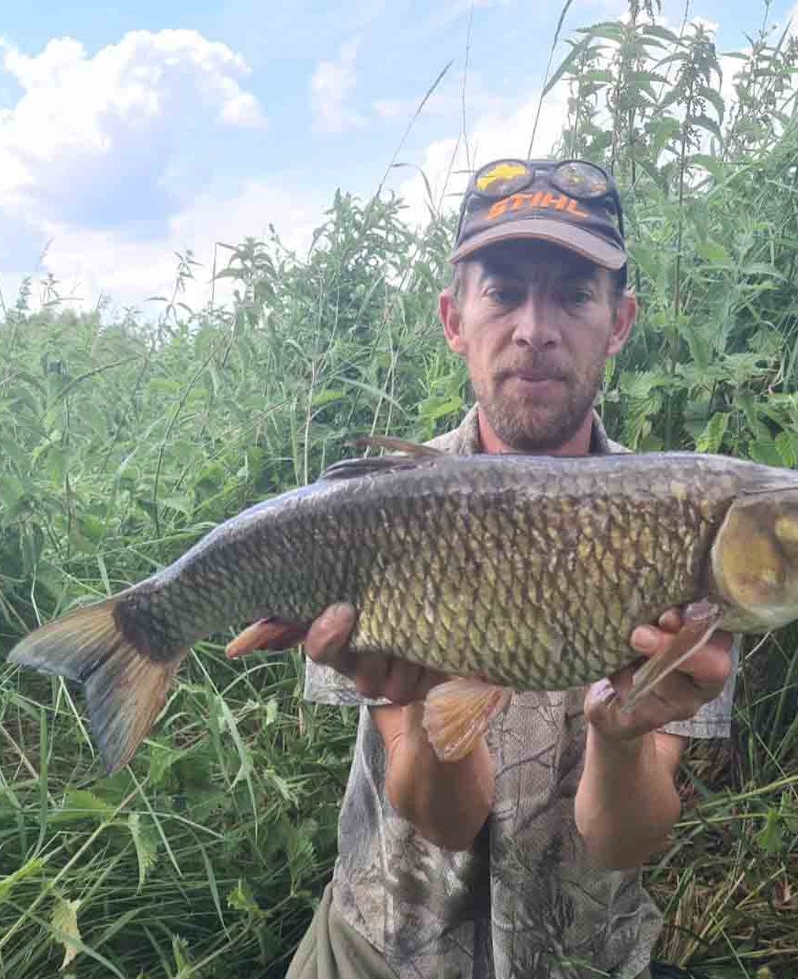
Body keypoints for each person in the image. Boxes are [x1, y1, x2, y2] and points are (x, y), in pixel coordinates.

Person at [233, 158, 738, 979]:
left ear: (619, 321)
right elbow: (444, 819)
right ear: (454, 319)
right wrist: (426, 696)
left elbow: (625, 841)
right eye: (503, 291)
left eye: (573, 295)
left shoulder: (682, 525)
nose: (535, 327)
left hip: (579, 957)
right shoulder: (374, 507)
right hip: (382, 949)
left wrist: (621, 729)